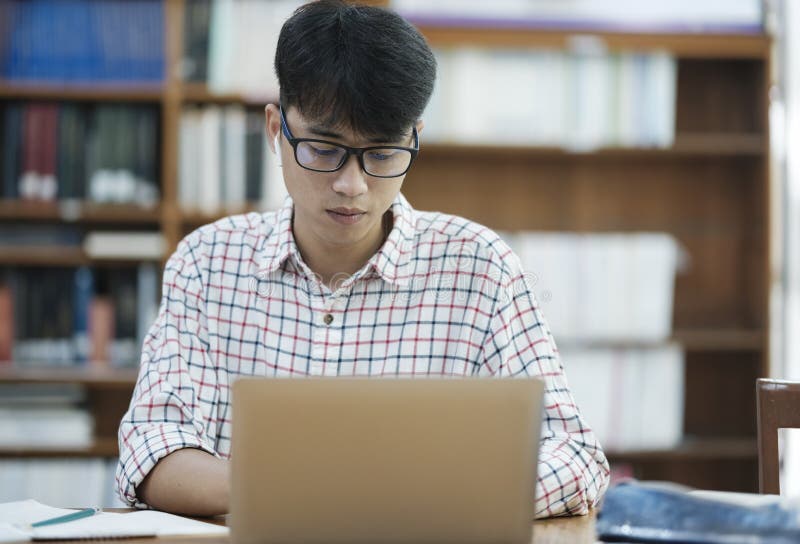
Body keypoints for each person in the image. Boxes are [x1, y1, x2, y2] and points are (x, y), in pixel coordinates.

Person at [116, 0, 609, 519]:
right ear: (274, 129)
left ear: (413, 137)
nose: (352, 186)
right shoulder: (207, 263)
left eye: (381, 153)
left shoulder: (480, 268)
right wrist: (332, 487)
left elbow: (574, 457)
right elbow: (151, 450)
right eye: (324, 149)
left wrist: (415, 494)